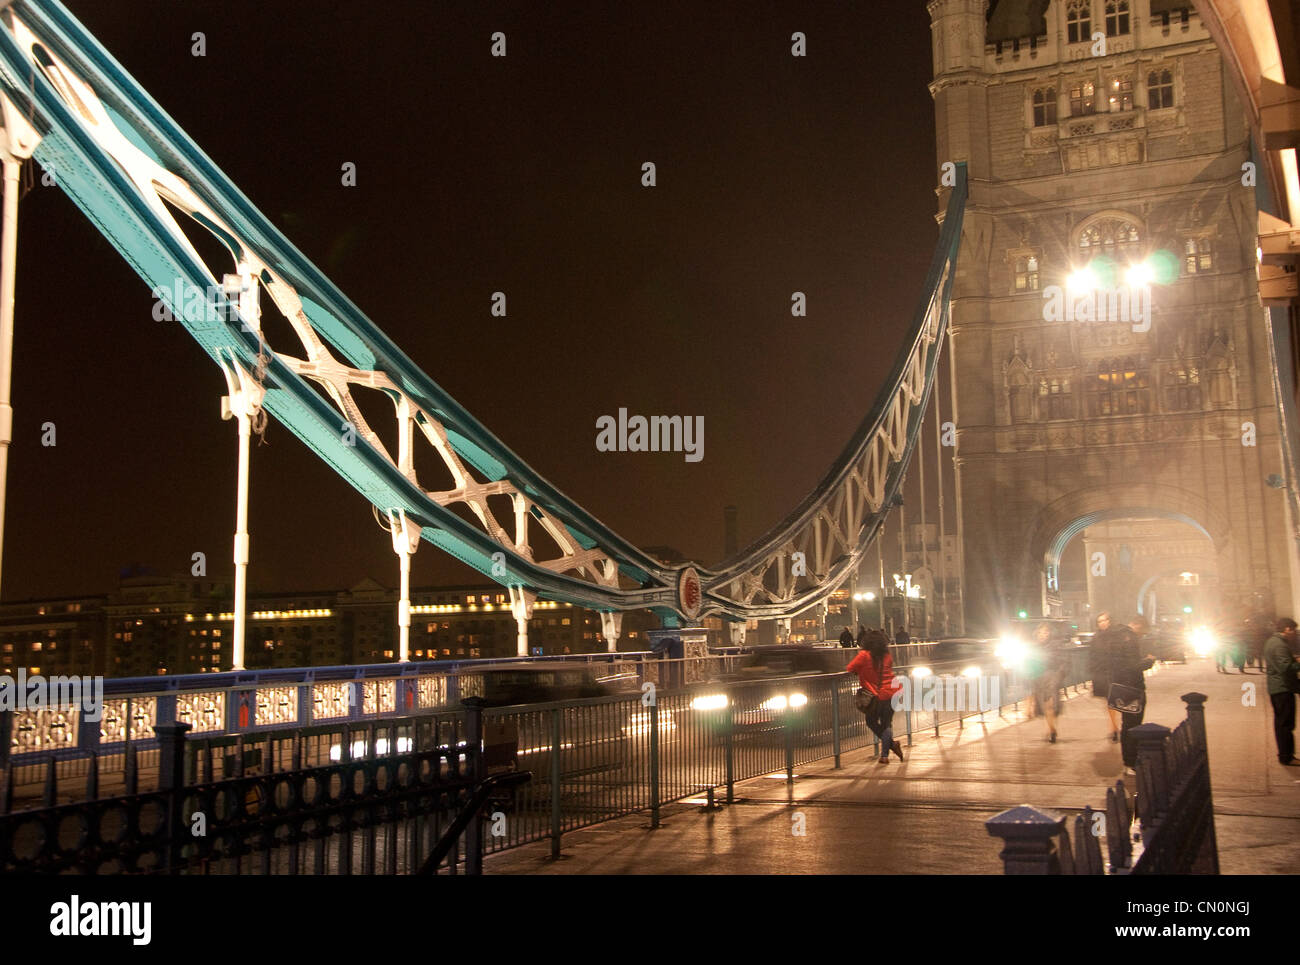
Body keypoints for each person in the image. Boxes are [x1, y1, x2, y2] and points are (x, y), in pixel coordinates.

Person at [846, 629, 904, 764]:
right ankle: (884, 756)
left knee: (871, 722)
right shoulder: (887, 656)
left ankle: (892, 746)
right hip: (893, 691)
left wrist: (860, 671)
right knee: (886, 723)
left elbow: (850, 668)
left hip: (877, 694)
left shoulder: (864, 655)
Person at [1264, 618, 1300, 765]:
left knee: (1281, 723)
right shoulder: (1279, 645)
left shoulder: (1272, 641)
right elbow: (1285, 668)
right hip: (1283, 688)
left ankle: (1285, 755)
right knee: (1286, 724)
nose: (1294, 633)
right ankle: (1287, 756)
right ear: (1286, 629)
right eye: (1293, 630)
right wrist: (1297, 664)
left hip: (1277, 688)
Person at [1025, 622, 1066, 743]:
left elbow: (1062, 662)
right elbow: (1029, 666)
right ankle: (1051, 728)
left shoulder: (1055, 646)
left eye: (1046, 632)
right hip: (1039, 679)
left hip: (1052, 677)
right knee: (1047, 706)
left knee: (1050, 704)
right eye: (1041, 632)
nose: (1043, 635)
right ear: (1037, 634)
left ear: (1050, 634)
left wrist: (1060, 674)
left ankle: (1052, 730)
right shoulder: (1033, 648)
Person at [1088, 612, 1123, 741]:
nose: (1102, 623)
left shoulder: (1116, 635)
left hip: (1115, 672)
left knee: (1115, 700)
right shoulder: (1096, 638)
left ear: (1110, 621)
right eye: (1099, 621)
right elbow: (1092, 656)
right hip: (1102, 673)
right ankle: (1114, 727)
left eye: (1104, 620)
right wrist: (1093, 671)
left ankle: (1115, 727)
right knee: (1109, 701)